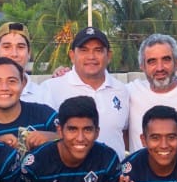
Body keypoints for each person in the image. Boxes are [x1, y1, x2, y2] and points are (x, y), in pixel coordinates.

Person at [41, 27, 132, 155]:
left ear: (109, 56)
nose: (91, 56)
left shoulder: (122, 90)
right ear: (72, 55)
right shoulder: (50, 89)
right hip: (68, 173)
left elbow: (124, 134)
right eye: (84, 50)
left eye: (98, 50)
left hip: (112, 173)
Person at [127, 34, 177, 152]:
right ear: (142, 66)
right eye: (152, 61)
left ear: (176, 63)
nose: (160, 68)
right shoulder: (129, 92)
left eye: (166, 59)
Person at [0, 57, 55, 151]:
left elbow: (72, 136)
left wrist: (51, 137)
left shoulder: (44, 114)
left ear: (23, 85)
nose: (4, 88)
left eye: (12, 81)